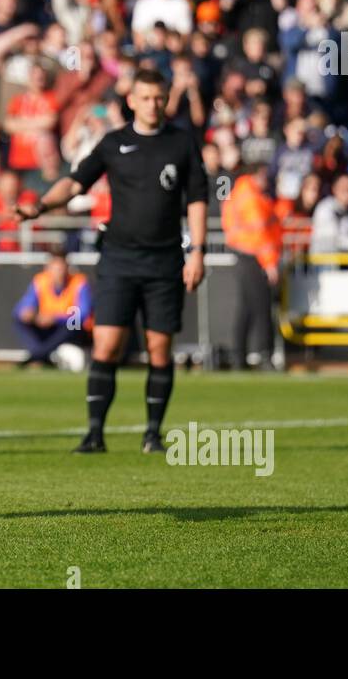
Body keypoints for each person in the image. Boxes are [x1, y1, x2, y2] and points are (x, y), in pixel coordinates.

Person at [16, 69, 208, 454]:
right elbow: (75, 182)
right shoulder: (113, 143)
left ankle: (153, 433)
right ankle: (94, 433)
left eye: (159, 97)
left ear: (166, 99)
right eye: (146, 97)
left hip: (164, 261)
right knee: (105, 345)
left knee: (158, 348)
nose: (153, 104)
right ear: (131, 100)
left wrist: (197, 251)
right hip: (118, 258)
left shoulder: (181, 143)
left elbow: (197, 199)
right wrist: (41, 205)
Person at [221, 162, 282, 369]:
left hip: (242, 253)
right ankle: (265, 355)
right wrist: (270, 264)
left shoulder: (241, 192)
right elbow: (260, 235)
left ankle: (238, 357)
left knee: (246, 308)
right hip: (252, 256)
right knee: (261, 307)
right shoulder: (251, 198)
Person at [13, 249, 92, 368]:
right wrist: (30, 314)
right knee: (19, 319)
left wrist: (56, 318)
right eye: (55, 268)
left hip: (71, 329)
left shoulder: (79, 281)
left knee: (71, 325)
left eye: (61, 268)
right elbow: (22, 308)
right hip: (47, 327)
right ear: (47, 268)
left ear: (67, 268)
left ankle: (37, 357)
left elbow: (82, 314)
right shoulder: (40, 280)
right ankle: (42, 355)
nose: (58, 272)